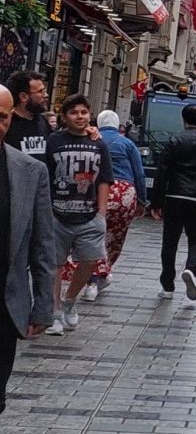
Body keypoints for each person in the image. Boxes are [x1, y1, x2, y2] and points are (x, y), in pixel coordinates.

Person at [0, 87, 55, 409]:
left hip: (5, 307)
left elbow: (43, 243)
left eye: (3, 117)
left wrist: (43, 306)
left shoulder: (30, 171)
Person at [43, 95, 112, 335]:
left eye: (84, 112)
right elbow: (46, 175)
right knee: (54, 264)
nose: (80, 116)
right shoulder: (54, 141)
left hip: (89, 214)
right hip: (58, 213)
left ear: (90, 115)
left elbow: (104, 179)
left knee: (90, 260)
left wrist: (101, 213)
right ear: (64, 117)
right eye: (74, 112)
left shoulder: (98, 143)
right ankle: (53, 312)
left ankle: (70, 299)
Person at [151, 103, 196, 302]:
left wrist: (156, 202)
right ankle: (191, 269)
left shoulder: (175, 140)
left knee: (170, 242)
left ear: (183, 120)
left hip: (175, 196)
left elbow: (162, 172)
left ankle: (167, 285)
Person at [71, 111, 146, 302]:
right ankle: (103, 274)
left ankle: (93, 280)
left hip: (97, 192)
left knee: (94, 236)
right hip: (124, 193)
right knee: (115, 238)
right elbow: (139, 173)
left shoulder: (90, 139)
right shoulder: (127, 143)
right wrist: (142, 201)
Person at [4, 72, 49, 160]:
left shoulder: (42, 121)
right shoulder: (7, 123)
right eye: (41, 92)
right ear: (24, 96)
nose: (46, 95)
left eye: (45, 91)